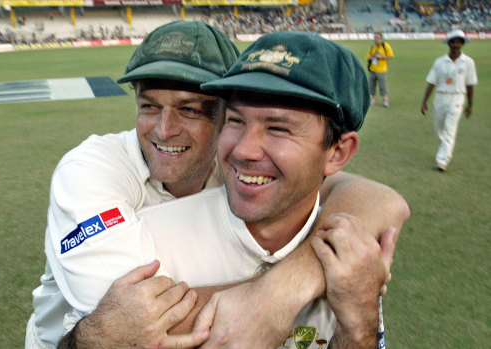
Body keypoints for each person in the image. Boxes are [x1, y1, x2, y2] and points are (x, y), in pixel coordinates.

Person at [29, 22, 409, 348]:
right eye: (149, 106)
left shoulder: (340, 244)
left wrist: (317, 288)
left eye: (191, 109)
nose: (163, 130)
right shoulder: (93, 170)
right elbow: (125, 319)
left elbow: (380, 199)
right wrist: (284, 292)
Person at [421, 29, 477, 172]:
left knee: (449, 130)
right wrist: (424, 101)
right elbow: (432, 82)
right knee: (439, 129)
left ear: (462, 44)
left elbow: (470, 84)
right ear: (449, 43)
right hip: (440, 97)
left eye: (459, 42)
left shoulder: (468, 62)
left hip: (457, 97)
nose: (456, 44)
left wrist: (470, 104)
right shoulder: (440, 62)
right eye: (453, 42)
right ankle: (444, 151)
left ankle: (442, 160)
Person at [365, 32, 394, 108]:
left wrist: (381, 57)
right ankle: (374, 99)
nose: (376, 39)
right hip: (372, 70)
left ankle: (385, 100)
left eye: (377, 38)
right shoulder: (372, 47)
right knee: (371, 86)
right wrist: (373, 56)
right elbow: (367, 57)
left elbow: (391, 56)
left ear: (381, 39)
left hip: (381, 70)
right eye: (375, 38)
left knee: (383, 86)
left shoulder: (385, 46)